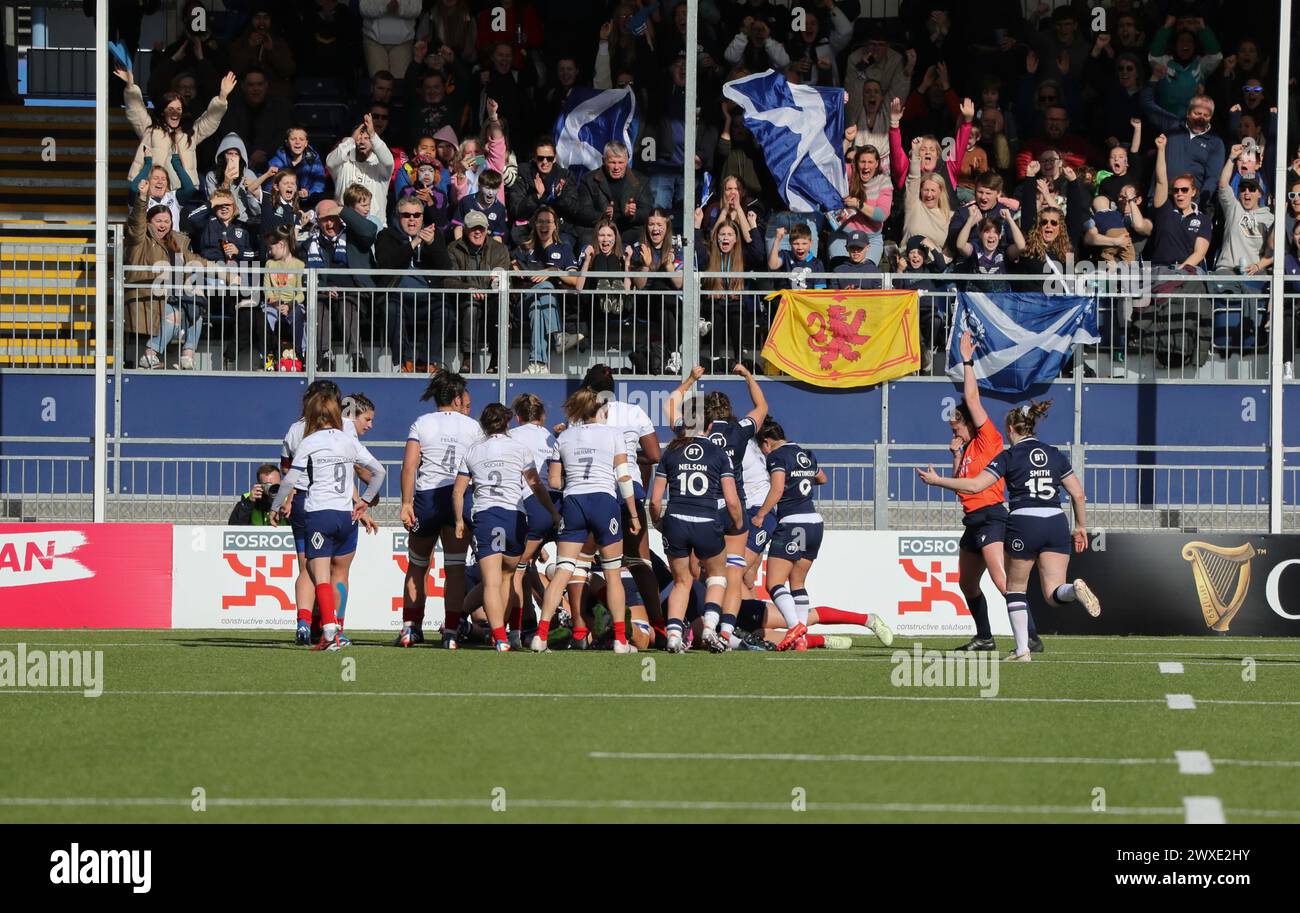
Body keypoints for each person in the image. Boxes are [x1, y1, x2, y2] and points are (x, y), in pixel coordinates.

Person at [917, 400, 1100, 661]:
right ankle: (1073, 589)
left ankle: (1023, 649)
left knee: (1014, 588)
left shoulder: (1008, 456)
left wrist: (937, 481)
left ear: (1012, 429)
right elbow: (1078, 494)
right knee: (1053, 592)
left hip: (1024, 521)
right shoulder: (1054, 453)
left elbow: (974, 486)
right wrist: (1080, 527)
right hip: (1057, 520)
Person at [754, 420, 892, 650]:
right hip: (814, 523)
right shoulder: (805, 454)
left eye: (762, 448)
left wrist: (760, 515)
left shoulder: (777, 457)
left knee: (774, 583)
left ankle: (795, 628)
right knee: (797, 583)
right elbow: (823, 478)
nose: (763, 453)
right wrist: (800, 481)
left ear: (767, 442)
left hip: (793, 523)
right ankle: (800, 639)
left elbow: (777, 489)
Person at [272, 393, 385, 652]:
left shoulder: (310, 441)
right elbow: (380, 471)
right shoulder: (348, 440)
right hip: (347, 516)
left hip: (320, 514)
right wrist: (364, 501)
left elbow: (290, 480)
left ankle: (329, 631)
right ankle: (338, 630)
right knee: (341, 574)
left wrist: (276, 505)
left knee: (318, 575)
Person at [665, 363, 766, 651]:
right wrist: (748, 377)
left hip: (701, 506)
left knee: (692, 574)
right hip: (731, 505)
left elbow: (671, 403)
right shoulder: (739, 430)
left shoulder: (690, 432)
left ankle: (691, 623)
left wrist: (690, 380)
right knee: (731, 574)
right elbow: (761, 406)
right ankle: (724, 630)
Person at [532, 387, 641, 655]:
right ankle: (620, 641)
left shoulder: (565, 436)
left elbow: (554, 480)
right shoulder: (614, 434)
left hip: (574, 503)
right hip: (604, 502)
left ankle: (541, 636)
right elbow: (624, 477)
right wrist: (635, 514)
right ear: (601, 410)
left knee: (563, 572)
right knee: (612, 574)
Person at [452, 403, 560, 652]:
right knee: (509, 578)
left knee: (490, 581)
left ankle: (499, 638)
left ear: (484, 425)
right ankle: (509, 634)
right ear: (507, 423)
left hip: (486, 516)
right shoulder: (519, 448)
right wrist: (553, 512)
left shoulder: (472, 450)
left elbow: (458, 492)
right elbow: (536, 485)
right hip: (514, 516)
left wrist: (459, 520)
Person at [577, 364, 663, 637]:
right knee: (640, 560)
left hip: (595, 490)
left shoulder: (582, 415)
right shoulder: (634, 411)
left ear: (588, 390)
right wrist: (628, 458)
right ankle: (659, 626)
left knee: (581, 561)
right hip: (630, 488)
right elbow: (654, 455)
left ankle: (579, 629)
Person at [649, 408, 745, 654]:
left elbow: (655, 502)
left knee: (682, 581)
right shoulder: (719, 453)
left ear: (684, 424)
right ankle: (710, 628)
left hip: (676, 521)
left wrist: (658, 523)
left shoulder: (671, 451)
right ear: (709, 426)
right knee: (717, 576)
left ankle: (673, 636)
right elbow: (732, 501)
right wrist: (737, 524)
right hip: (706, 522)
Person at [398, 371, 482, 648]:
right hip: (458, 498)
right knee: (455, 569)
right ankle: (451, 632)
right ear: (457, 398)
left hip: (427, 498)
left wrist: (407, 503)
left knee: (418, 566)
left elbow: (410, 465)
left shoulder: (422, 423)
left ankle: (411, 627)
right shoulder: (472, 427)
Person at [280, 380, 347, 645]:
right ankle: (331, 625)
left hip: (302, 500)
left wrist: (287, 496)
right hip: (332, 501)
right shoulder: (342, 432)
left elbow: (286, 468)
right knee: (335, 571)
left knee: (307, 566)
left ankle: (304, 623)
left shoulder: (295, 430)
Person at [125, 179, 208, 370]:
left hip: (174, 294)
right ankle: (150, 354)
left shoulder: (177, 242)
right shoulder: (140, 238)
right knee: (174, 314)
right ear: (149, 222)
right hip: (148, 296)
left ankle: (187, 356)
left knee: (197, 308)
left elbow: (197, 260)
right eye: (158, 221)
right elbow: (136, 220)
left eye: (166, 221)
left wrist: (228, 273)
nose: (162, 225)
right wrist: (142, 198)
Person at [119, 66, 234, 194]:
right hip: (152, 191)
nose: (175, 113)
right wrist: (130, 86)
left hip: (181, 194)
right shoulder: (150, 131)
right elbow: (136, 109)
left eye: (179, 109)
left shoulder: (189, 134)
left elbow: (210, 120)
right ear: (163, 112)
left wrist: (222, 97)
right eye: (170, 109)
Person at [506, 393, 562, 647]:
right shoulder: (553, 437)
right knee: (569, 570)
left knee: (514, 573)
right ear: (542, 417)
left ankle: (519, 632)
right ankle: (570, 626)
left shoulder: (511, 437)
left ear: (518, 417)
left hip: (530, 506)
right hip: (560, 505)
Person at [375, 195, 455, 372]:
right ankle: (405, 361)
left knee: (446, 311)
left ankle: (427, 361)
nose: (412, 219)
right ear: (398, 216)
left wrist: (432, 244)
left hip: (428, 298)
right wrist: (414, 243)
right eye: (406, 215)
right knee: (391, 309)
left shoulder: (434, 236)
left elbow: (446, 267)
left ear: (422, 217)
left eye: (417, 215)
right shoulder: (386, 235)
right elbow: (386, 262)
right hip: (397, 295)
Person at [513, 205, 581, 374]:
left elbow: (575, 279)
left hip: (546, 305)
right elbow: (513, 269)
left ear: (555, 225)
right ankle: (558, 336)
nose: (544, 226)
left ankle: (538, 364)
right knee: (546, 286)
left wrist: (554, 271)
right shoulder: (524, 249)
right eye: (541, 222)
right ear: (535, 224)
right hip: (523, 300)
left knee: (538, 308)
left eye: (548, 222)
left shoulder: (564, 249)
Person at [446, 210, 510, 373]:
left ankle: (496, 359)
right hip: (466, 297)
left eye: (481, 228)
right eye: (473, 228)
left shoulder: (499, 249)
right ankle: (467, 358)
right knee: (471, 306)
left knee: (500, 307)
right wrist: (468, 289)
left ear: (487, 229)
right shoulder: (453, 248)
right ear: (466, 230)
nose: (477, 232)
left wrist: (494, 286)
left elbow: (502, 277)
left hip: (492, 297)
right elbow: (449, 279)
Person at [327, 113, 395, 231]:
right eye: (359, 138)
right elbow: (330, 162)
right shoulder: (343, 164)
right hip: (344, 229)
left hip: (375, 230)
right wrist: (351, 140)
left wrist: (373, 134)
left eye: (367, 138)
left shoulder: (380, 167)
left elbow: (389, 162)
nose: (362, 142)